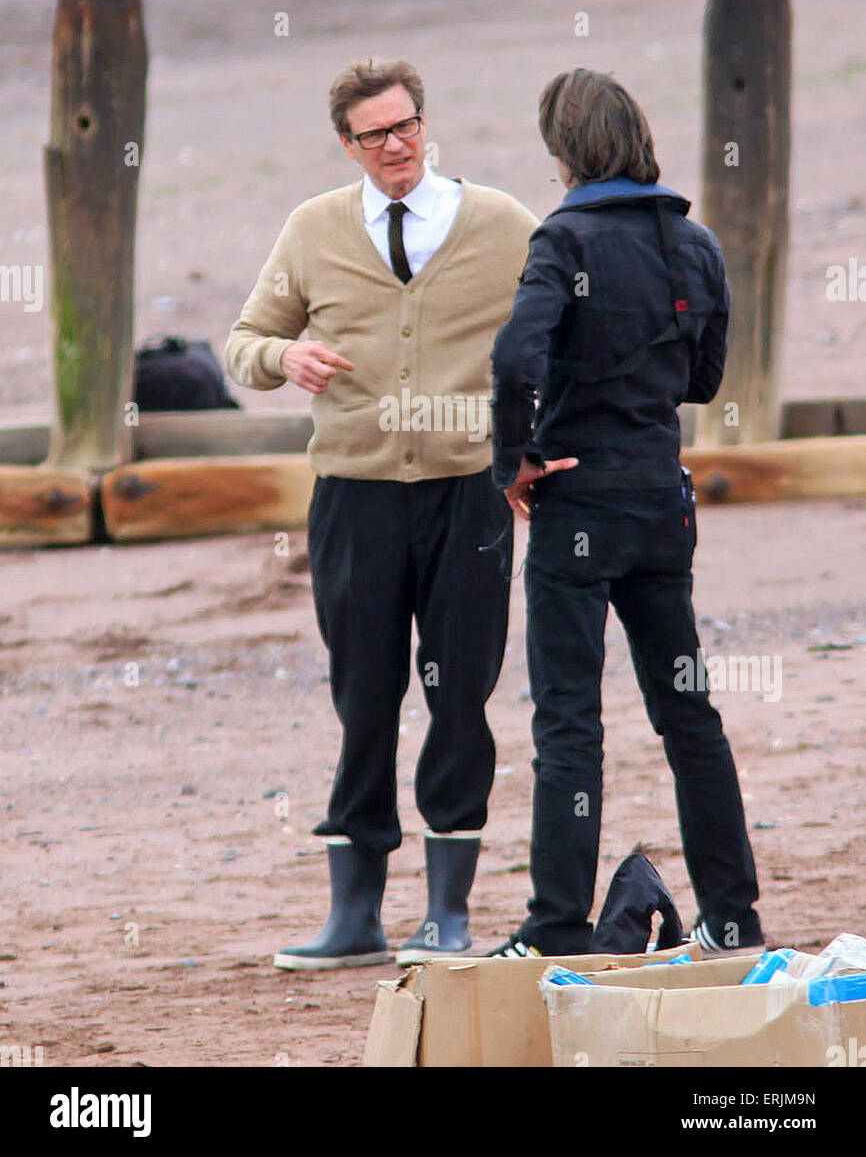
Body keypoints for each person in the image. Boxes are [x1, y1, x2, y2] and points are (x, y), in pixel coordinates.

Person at [224, 60, 544, 969]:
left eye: (408, 126)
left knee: (459, 697)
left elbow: (562, 335)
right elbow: (244, 345)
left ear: (424, 124)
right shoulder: (313, 228)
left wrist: (533, 447)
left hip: (465, 493)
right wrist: (287, 358)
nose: (397, 145)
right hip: (353, 498)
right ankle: (354, 916)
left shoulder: (501, 224)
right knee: (364, 694)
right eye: (376, 134)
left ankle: (447, 913)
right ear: (348, 144)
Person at [488, 67, 763, 959]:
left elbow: (515, 358)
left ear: (565, 151)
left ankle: (557, 925)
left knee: (569, 721)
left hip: (577, 505)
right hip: (660, 503)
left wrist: (513, 459)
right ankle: (733, 917)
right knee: (690, 714)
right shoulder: (697, 242)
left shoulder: (560, 241)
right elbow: (705, 381)